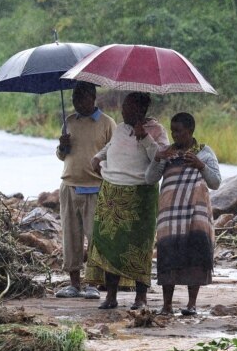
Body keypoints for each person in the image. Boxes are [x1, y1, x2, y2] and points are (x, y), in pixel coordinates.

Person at [88, 92, 169, 310]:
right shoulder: (121, 128)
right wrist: (98, 157)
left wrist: (145, 137)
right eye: (124, 107)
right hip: (111, 191)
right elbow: (112, 146)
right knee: (108, 244)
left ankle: (140, 298)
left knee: (138, 247)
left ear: (141, 110)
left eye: (128, 107)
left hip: (139, 195)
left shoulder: (156, 130)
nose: (123, 111)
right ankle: (111, 295)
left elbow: (161, 158)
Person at [146, 112, 221, 316]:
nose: (175, 135)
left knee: (195, 254)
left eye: (178, 131)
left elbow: (215, 182)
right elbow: (150, 178)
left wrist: (200, 165)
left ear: (190, 131)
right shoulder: (166, 153)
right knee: (168, 255)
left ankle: (191, 304)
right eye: (172, 131)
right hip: (169, 215)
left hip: (195, 214)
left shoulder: (205, 152)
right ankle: (167, 305)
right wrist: (157, 159)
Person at [54, 81, 115, 299]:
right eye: (73, 100)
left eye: (80, 99)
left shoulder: (107, 123)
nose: (76, 103)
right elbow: (62, 155)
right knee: (71, 236)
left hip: (95, 187)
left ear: (92, 98)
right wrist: (62, 145)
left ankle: (93, 284)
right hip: (69, 185)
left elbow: (114, 153)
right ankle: (74, 284)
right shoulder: (69, 121)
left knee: (96, 237)